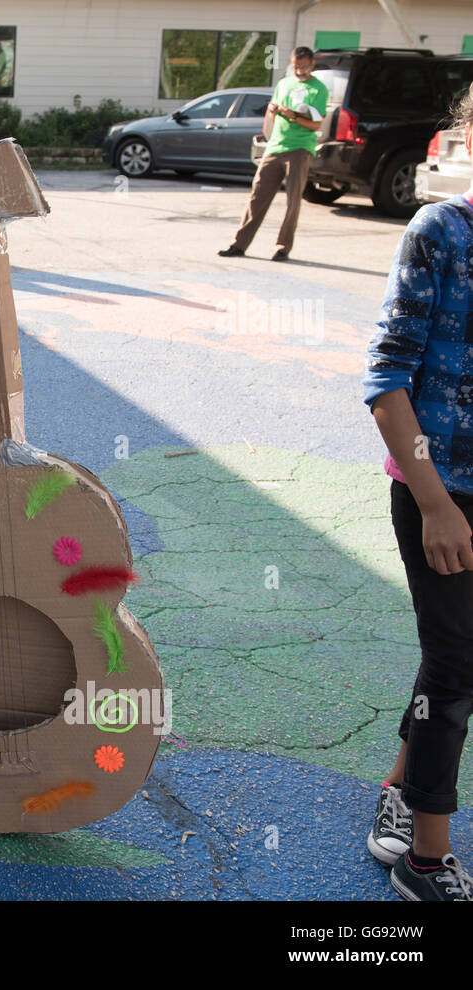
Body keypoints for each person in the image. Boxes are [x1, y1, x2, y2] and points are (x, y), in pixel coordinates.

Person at [362, 89, 473, 902]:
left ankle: (402, 787)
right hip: (440, 488)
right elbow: (387, 380)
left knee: (458, 657)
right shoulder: (440, 231)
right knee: (457, 663)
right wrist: (435, 501)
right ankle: (426, 859)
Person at [219, 46, 327, 261]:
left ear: (312, 64)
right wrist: (272, 114)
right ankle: (239, 244)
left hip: (299, 148)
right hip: (275, 146)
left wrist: (293, 115)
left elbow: (316, 124)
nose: (299, 71)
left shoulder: (319, 89)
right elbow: (271, 112)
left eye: (304, 67)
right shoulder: (284, 84)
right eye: (296, 67)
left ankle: (282, 247)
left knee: (292, 200)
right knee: (257, 196)